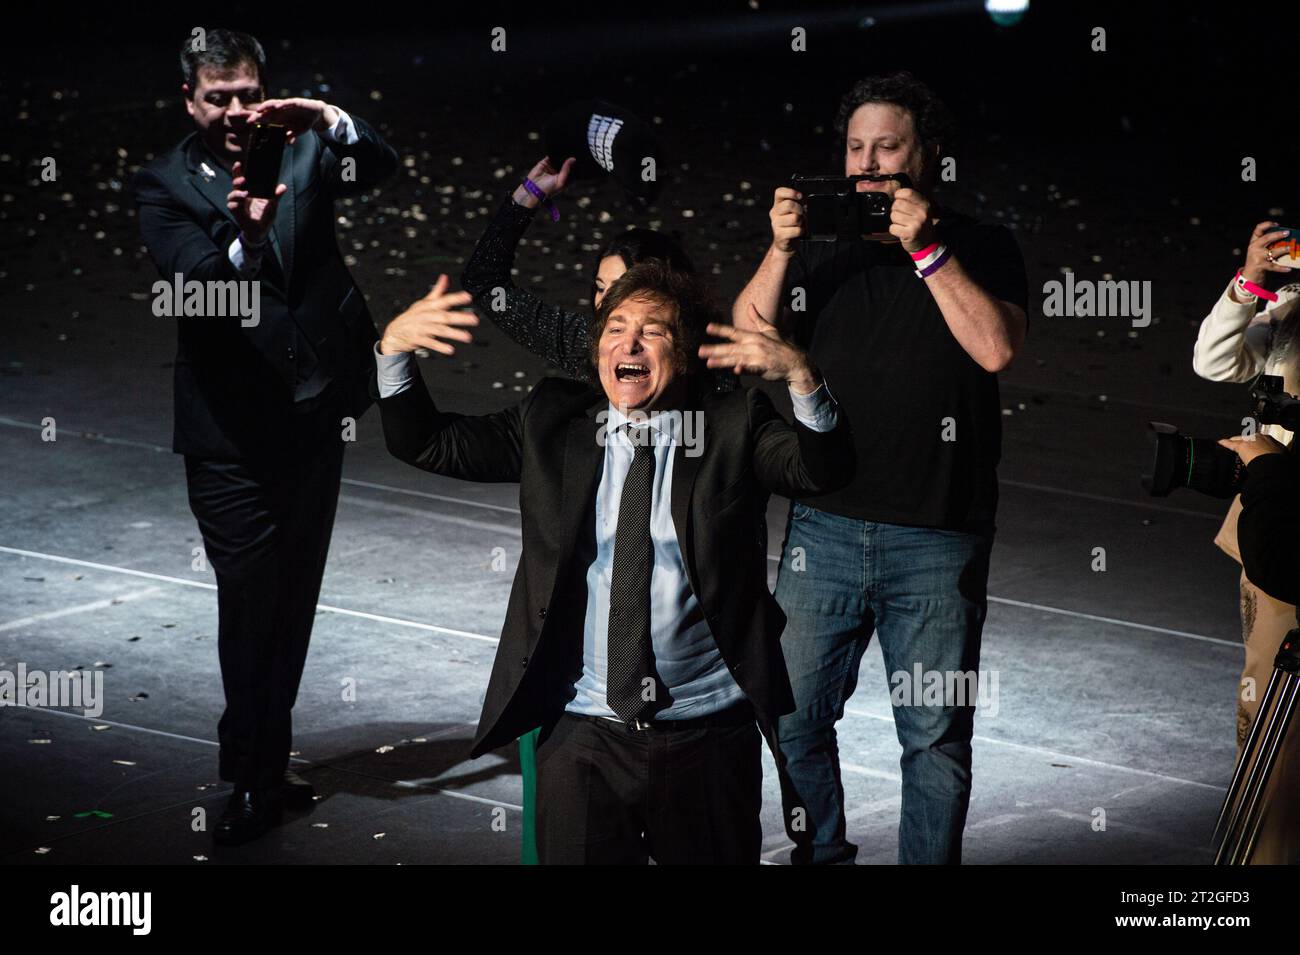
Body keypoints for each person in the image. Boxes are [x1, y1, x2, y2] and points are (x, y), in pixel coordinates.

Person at [373, 263, 851, 863]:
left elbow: (821, 470)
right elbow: (429, 443)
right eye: (615, 328)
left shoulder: (733, 425)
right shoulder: (554, 419)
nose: (629, 343)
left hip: (705, 732)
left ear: (686, 351)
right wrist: (392, 353)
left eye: (653, 331)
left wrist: (803, 378)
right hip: (582, 734)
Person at [732, 71, 1028, 864]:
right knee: (789, 711)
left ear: (927, 156)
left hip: (937, 534)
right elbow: (746, 335)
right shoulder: (822, 255)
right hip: (822, 524)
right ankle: (820, 853)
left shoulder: (983, 245)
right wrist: (781, 246)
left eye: (886, 146)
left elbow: (995, 346)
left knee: (933, 738)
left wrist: (928, 250)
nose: (866, 163)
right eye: (856, 147)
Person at [132, 28, 398, 845]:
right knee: (250, 603)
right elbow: (206, 297)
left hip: (315, 413)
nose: (238, 111)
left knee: (292, 600)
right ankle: (246, 772)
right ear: (191, 100)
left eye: (249, 94)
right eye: (220, 98)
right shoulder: (166, 185)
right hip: (229, 437)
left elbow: (378, 170)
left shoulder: (303, 148)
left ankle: (267, 761)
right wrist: (245, 238)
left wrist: (332, 118)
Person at [459, 154, 722, 862]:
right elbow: (487, 287)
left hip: (692, 710)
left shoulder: (706, 390)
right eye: (602, 297)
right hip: (585, 701)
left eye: (634, 302)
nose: (614, 323)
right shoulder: (588, 350)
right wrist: (523, 201)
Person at [1194, 222, 1300, 863]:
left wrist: (1266, 463)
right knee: (1259, 710)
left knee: (1276, 735)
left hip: (1291, 537)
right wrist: (1252, 284)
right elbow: (1214, 360)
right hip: (1272, 526)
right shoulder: (1292, 305)